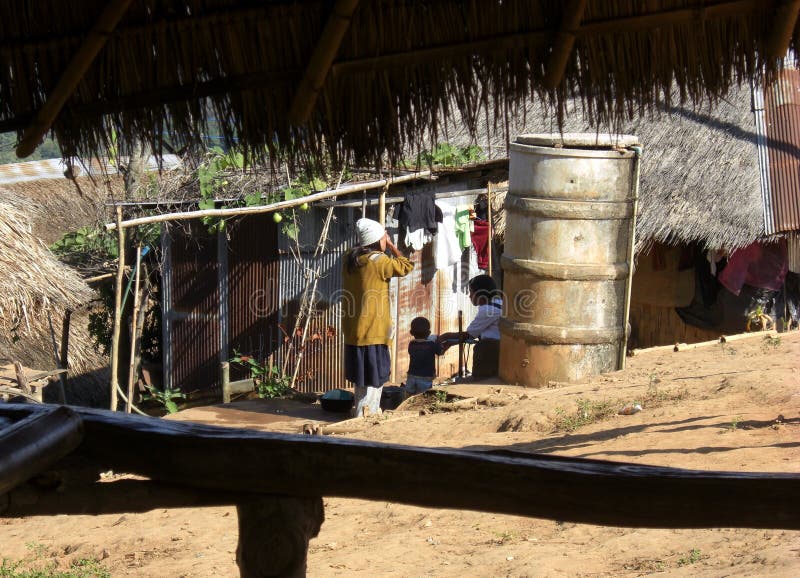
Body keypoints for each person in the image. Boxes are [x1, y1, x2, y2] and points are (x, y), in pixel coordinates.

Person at [342, 218, 414, 416]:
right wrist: (391, 245)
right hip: (373, 329)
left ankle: (360, 411)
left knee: (361, 377)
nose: (386, 240)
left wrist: (382, 242)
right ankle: (368, 414)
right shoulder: (379, 261)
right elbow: (406, 266)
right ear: (377, 240)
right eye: (384, 237)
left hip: (353, 330)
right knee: (375, 376)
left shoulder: (349, 258)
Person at [438, 274, 502, 380]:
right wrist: (451, 342)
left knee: (481, 381)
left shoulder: (487, 310)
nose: (469, 296)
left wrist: (444, 337)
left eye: (471, 292)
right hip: (501, 349)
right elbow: (470, 336)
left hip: (490, 351)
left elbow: (469, 335)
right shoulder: (499, 303)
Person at [405, 317, 443, 396]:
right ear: (429, 333)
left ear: (411, 332)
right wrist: (438, 341)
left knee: (409, 396)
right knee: (423, 397)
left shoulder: (411, 344)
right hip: (426, 377)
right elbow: (440, 352)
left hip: (411, 376)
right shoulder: (431, 344)